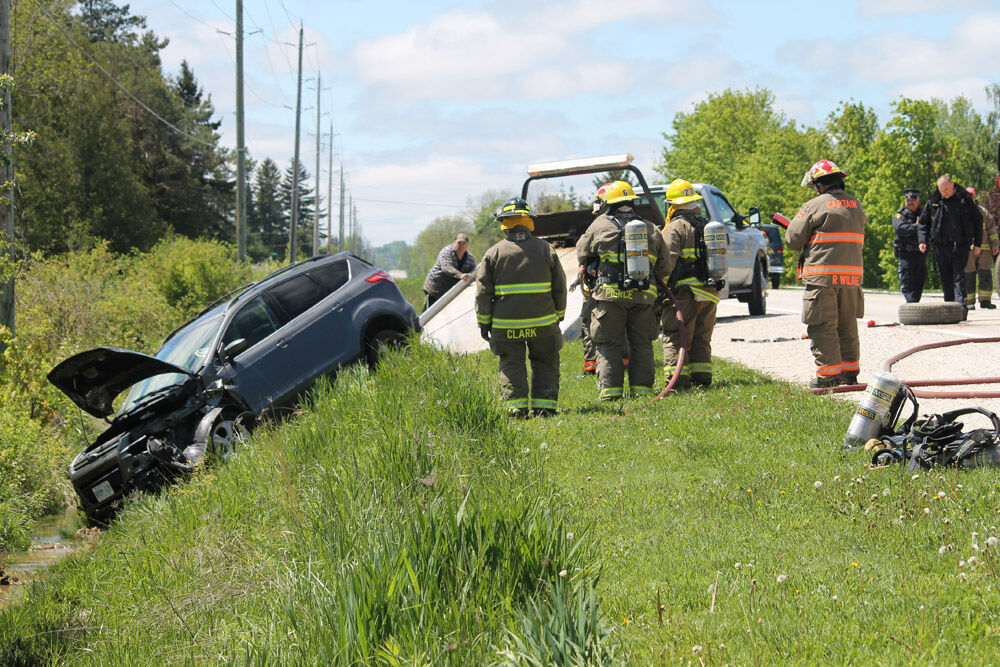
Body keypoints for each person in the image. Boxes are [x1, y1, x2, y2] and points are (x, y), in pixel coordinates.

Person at [576, 180, 668, 400]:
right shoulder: (651, 227)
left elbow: (581, 253)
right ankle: (643, 392)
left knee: (609, 345)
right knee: (642, 344)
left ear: (608, 203)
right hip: (643, 296)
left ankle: (610, 393)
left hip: (609, 297)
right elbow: (665, 266)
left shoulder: (599, 225)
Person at [475, 198, 567, 418]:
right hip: (543, 324)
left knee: (511, 365)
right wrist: (559, 315)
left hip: (506, 326)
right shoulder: (546, 249)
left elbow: (483, 293)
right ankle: (545, 408)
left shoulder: (493, 253)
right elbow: (560, 286)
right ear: (529, 221)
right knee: (546, 362)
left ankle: (515, 409)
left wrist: (484, 323)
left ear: (504, 224)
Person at [786, 159, 866, 388]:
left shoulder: (813, 206)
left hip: (823, 277)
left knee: (823, 326)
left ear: (820, 184)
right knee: (847, 325)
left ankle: (828, 376)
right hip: (851, 279)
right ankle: (850, 373)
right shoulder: (856, 205)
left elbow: (792, 240)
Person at [659, 179, 719, 387]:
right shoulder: (707, 225)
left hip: (685, 293)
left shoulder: (677, 227)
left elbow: (667, 261)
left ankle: (676, 381)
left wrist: (659, 287)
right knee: (702, 336)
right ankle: (702, 377)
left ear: (673, 204)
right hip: (710, 292)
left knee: (676, 336)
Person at [917, 174, 983, 309]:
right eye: (941, 190)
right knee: (945, 276)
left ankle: (961, 307)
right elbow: (923, 223)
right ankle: (949, 306)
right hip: (940, 245)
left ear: (952, 185)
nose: (944, 192)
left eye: (946, 189)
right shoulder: (934, 201)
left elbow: (978, 220)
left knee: (959, 276)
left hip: (960, 244)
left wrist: (977, 243)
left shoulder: (965, 200)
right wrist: (922, 240)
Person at [963, 186, 999, 309]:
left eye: (972, 195)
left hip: (985, 250)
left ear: (975, 196)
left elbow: (992, 230)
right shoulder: (960, 212)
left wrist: (995, 245)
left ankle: (985, 300)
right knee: (968, 275)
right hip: (967, 250)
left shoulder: (983, 212)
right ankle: (969, 301)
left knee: (985, 274)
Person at [422, 233, 476, 308]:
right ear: (454, 242)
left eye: (463, 243)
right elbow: (446, 267)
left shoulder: (470, 258)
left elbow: (473, 273)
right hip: (435, 289)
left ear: (467, 245)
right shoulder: (446, 252)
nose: (461, 246)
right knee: (431, 313)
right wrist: (460, 275)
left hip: (450, 292)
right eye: (459, 243)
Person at [892, 188, 926, 303]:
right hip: (906, 254)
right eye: (908, 200)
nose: (910, 202)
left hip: (920, 254)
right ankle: (911, 305)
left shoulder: (924, 214)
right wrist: (917, 227)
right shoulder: (900, 215)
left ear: (918, 200)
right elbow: (901, 229)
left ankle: (914, 304)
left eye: (913, 200)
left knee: (919, 281)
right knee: (907, 282)